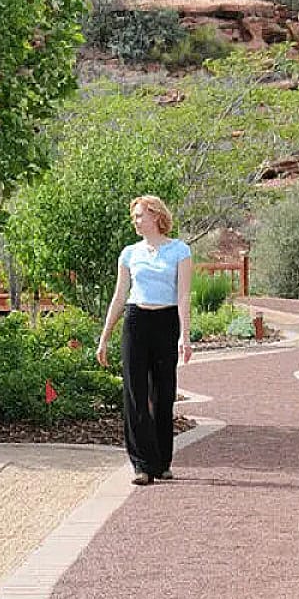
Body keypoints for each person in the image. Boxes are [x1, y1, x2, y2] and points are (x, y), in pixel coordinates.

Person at [96, 195, 192, 485]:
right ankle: (141, 464)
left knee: (163, 394)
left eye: (140, 216)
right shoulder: (129, 253)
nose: (136, 221)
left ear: (155, 216)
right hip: (136, 321)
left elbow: (184, 295)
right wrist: (105, 336)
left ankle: (162, 461)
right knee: (135, 394)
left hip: (165, 323)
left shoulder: (180, 251)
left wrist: (184, 335)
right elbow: (119, 295)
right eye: (134, 217)